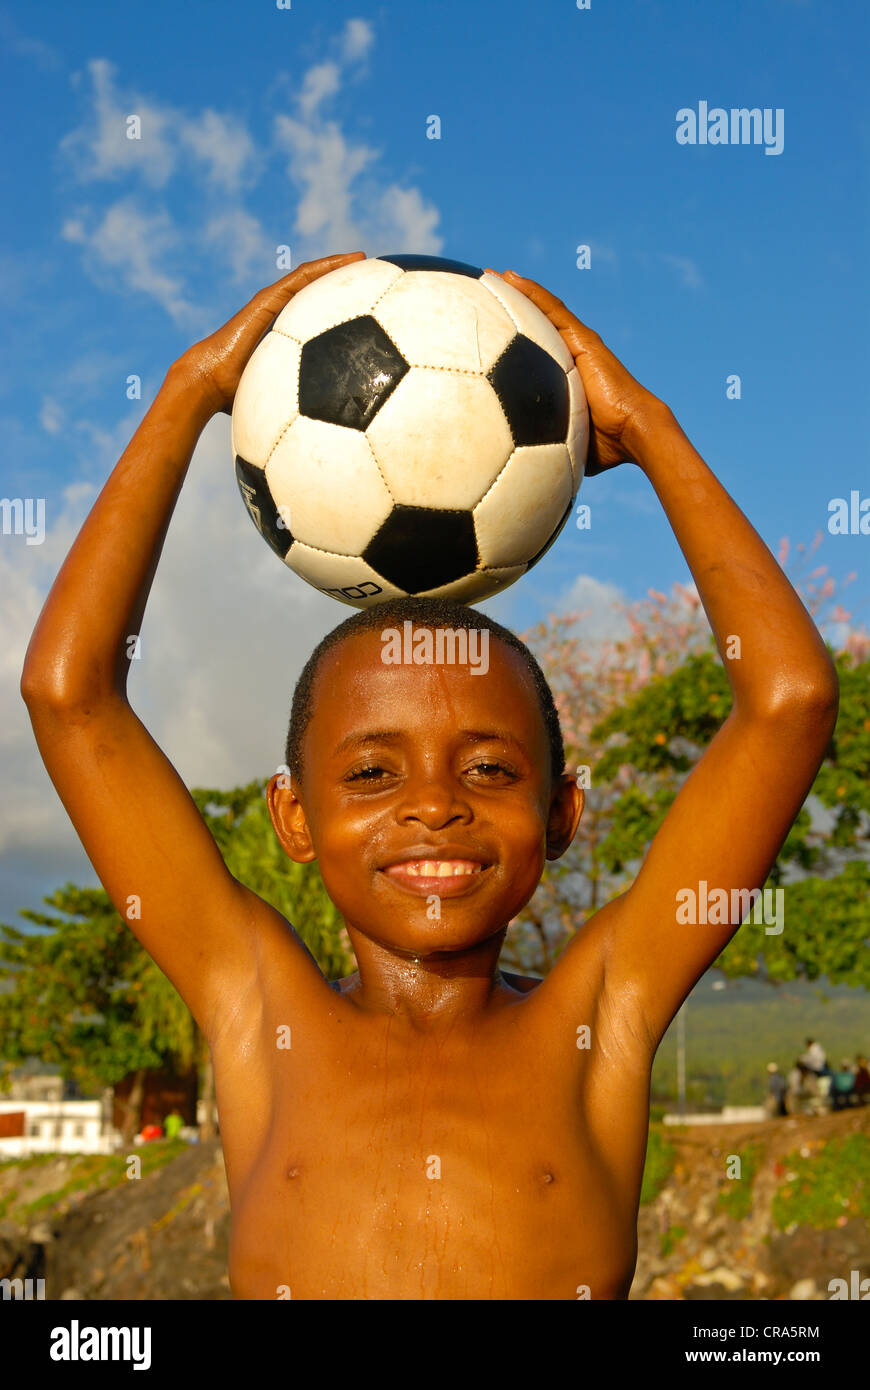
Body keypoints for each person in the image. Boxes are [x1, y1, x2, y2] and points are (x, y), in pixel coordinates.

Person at [20, 254, 839, 1300]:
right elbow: (69, 696)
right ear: (294, 814)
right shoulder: (255, 1005)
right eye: (370, 772)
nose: (433, 806)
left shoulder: (603, 1013)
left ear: (562, 811)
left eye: (490, 767)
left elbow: (789, 703)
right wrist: (188, 393)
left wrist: (655, 434)